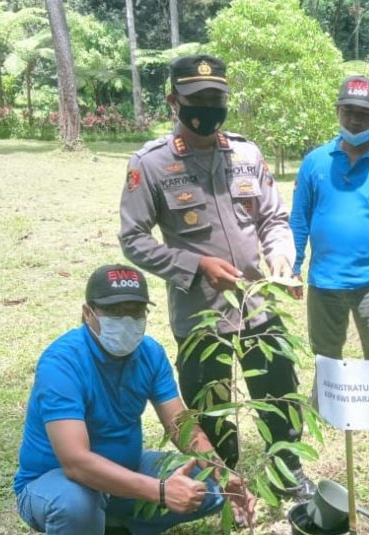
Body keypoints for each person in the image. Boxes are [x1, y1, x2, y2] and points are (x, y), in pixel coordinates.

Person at [118, 55, 315, 499]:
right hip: (199, 313)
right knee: (209, 403)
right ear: (174, 101)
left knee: (279, 391)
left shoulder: (246, 154)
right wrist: (195, 265)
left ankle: (288, 473)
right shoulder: (150, 164)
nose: (208, 109)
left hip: (257, 305)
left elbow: (273, 219)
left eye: (216, 99)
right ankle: (224, 484)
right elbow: (133, 238)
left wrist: (282, 258)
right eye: (197, 100)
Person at [14, 265, 255, 535]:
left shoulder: (150, 354)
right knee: (74, 503)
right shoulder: (62, 363)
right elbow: (76, 463)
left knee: (210, 489)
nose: (126, 320)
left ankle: (116, 530)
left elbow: (180, 425)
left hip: (126, 469)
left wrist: (224, 472)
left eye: (135, 311)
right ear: (88, 313)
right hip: (52, 482)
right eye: (114, 311)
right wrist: (161, 491)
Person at [289, 75, 369, 444]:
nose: (355, 121)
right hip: (324, 280)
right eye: (349, 112)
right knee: (325, 349)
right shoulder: (315, 162)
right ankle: (323, 405)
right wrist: (293, 267)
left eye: (364, 114)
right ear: (338, 111)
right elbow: (298, 219)